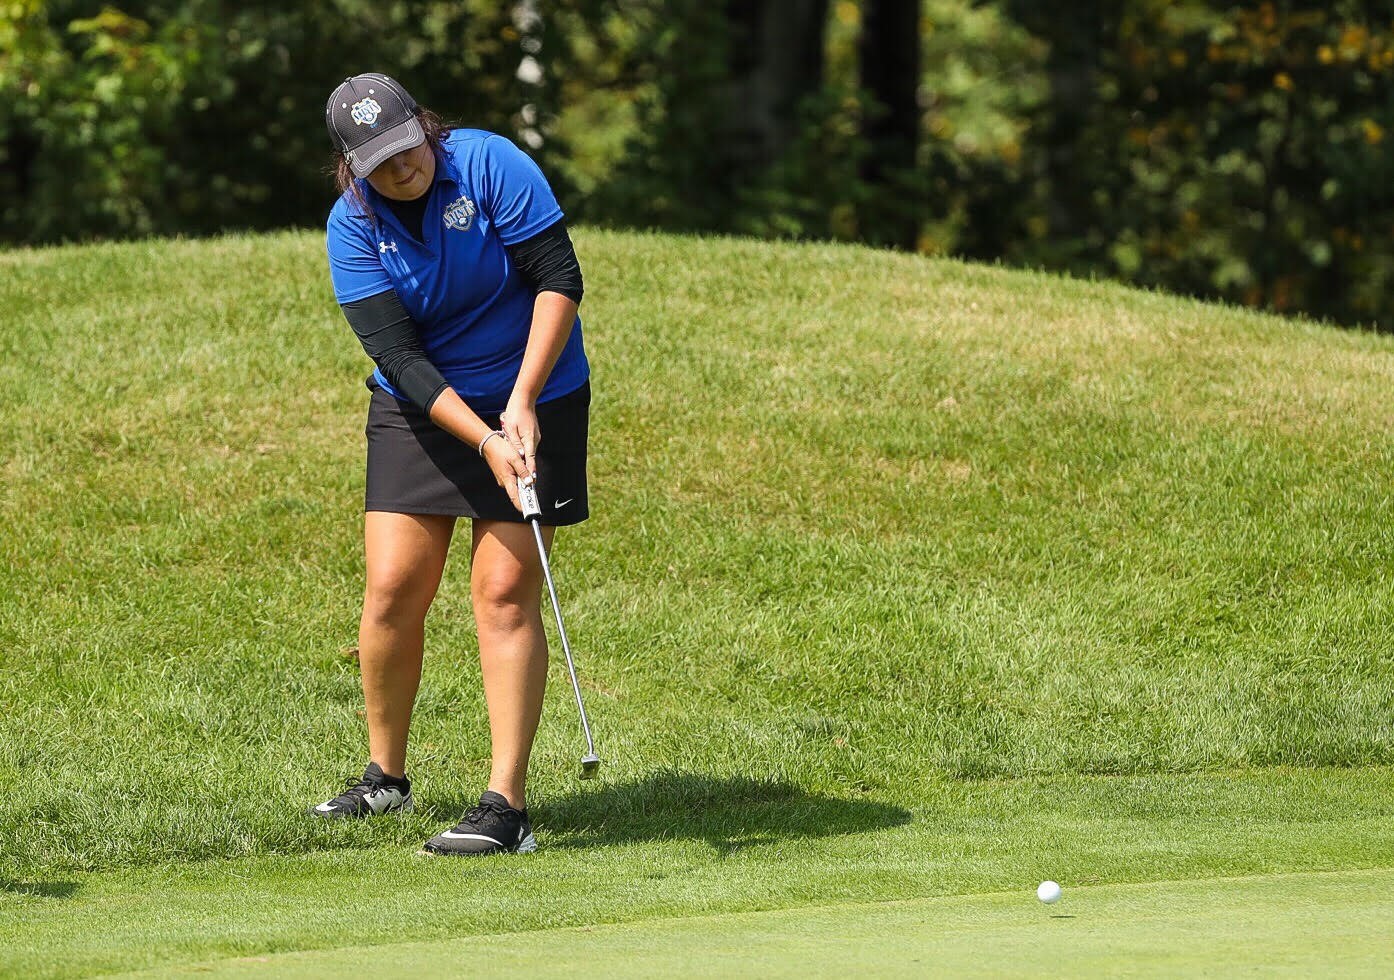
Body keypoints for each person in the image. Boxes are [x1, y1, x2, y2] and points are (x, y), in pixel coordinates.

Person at [310, 72, 591, 857]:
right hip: (423, 406)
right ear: (351, 165)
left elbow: (558, 279)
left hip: (538, 388)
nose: (403, 169)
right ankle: (385, 779)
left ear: (424, 127)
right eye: (380, 162)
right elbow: (397, 353)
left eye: (409, 148)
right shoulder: (351, 227)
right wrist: (484, 437)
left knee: (503, 591)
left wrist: (523, 403)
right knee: (395, 585)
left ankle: (506, 806)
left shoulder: (491, 163)